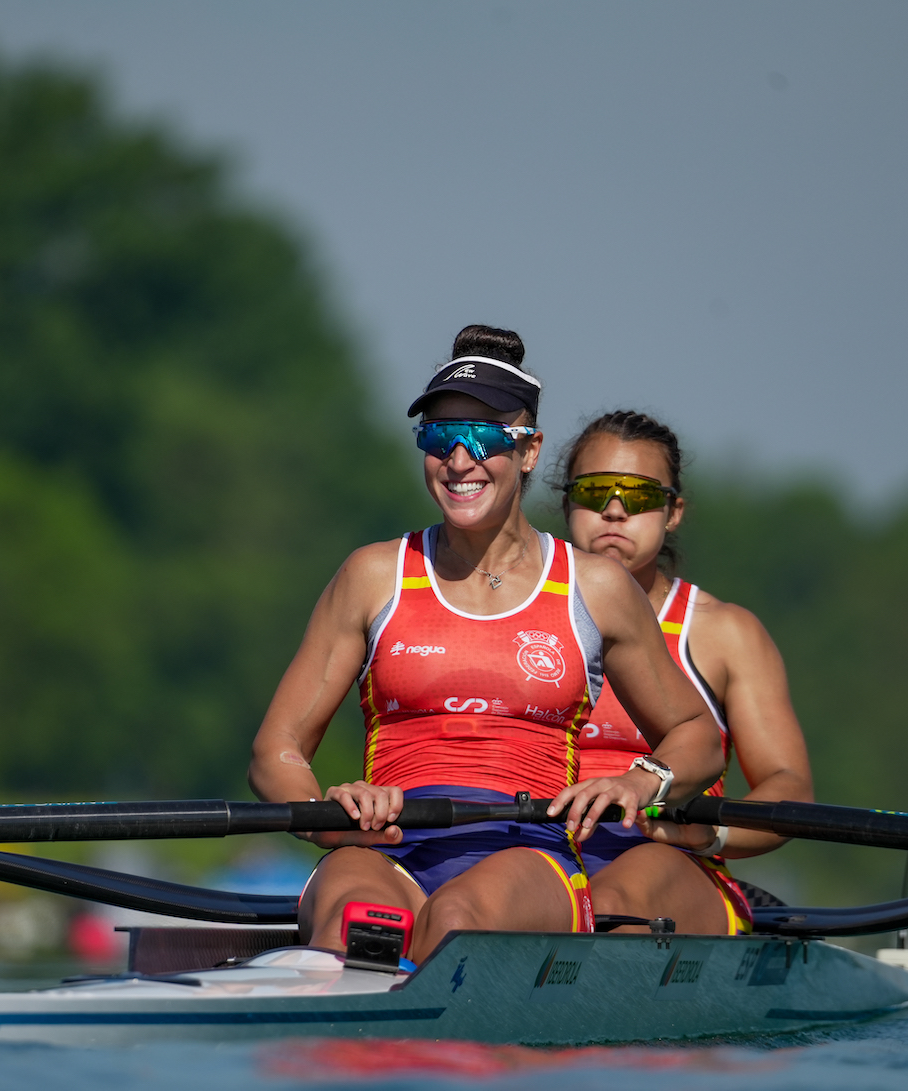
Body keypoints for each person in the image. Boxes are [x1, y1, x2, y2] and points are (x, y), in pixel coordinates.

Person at [247, 327, 726, 963]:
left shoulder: (596, 588)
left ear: (529, 452)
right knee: (351, 919)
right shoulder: (371, 576)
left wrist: (645, 780)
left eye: (485, 436)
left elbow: (696, 732)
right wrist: (322, 814)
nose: (460, 459)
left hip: (529, 854)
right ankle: (349, 1035)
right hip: (387, 847)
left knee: (456, 919)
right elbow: (273, 750)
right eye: (441, 436)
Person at [558, 410, 814, 935]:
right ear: (567, 503)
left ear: (673, 512)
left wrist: (708, 834)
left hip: (670, 861)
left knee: (605, 904)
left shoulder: (724, 634)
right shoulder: (513, 613)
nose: (613, 511)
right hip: (541, 856)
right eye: (594, 491)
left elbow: (788, 786)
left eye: (641, 496)